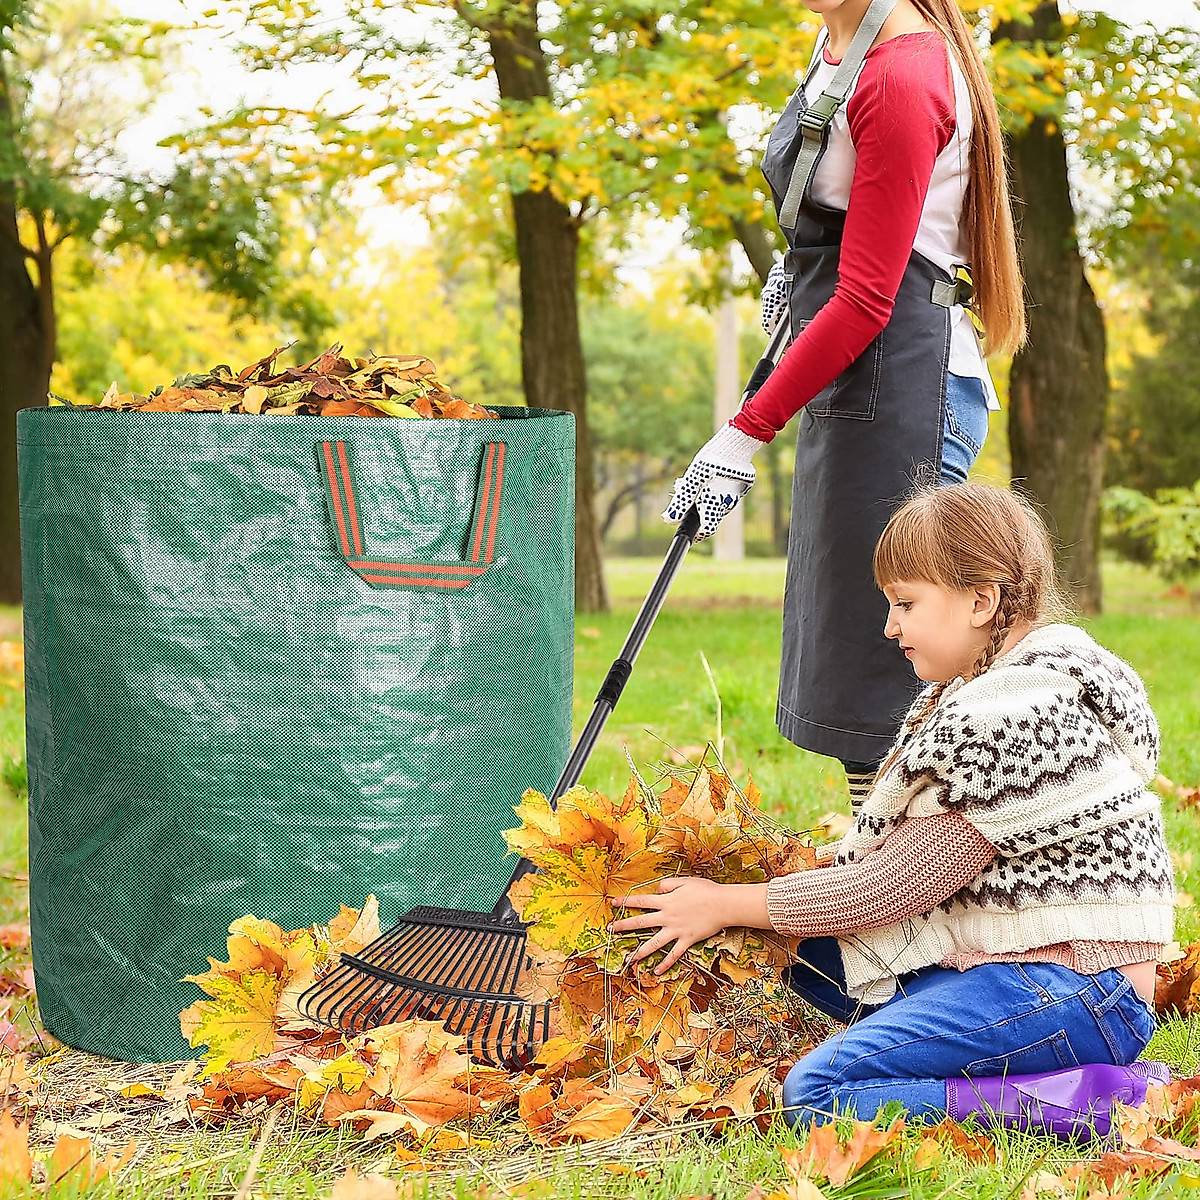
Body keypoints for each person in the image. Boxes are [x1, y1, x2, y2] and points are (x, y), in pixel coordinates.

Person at [615, 483, 1176, 1139]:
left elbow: (891, 887)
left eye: (906, 604)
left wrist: (724, 902)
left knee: (817, 1092)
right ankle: (1001, 1070)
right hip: (1035, 973)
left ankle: (1087, 1102)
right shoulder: (1002, 686)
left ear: (981, 600)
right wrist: (759, 898)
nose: (890, 627)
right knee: (804, 946)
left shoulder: (1011, 718)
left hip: (1077, 994)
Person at [664, 0, 1027, 813]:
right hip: (854, 371)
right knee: (856, 657)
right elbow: (846, 217)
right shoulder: (839, 41)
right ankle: (880, 886)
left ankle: (924, 897)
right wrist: (797, 269)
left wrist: (741, 432)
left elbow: (866, 299)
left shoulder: (903, 74)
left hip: (902, 377)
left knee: (893, 671)